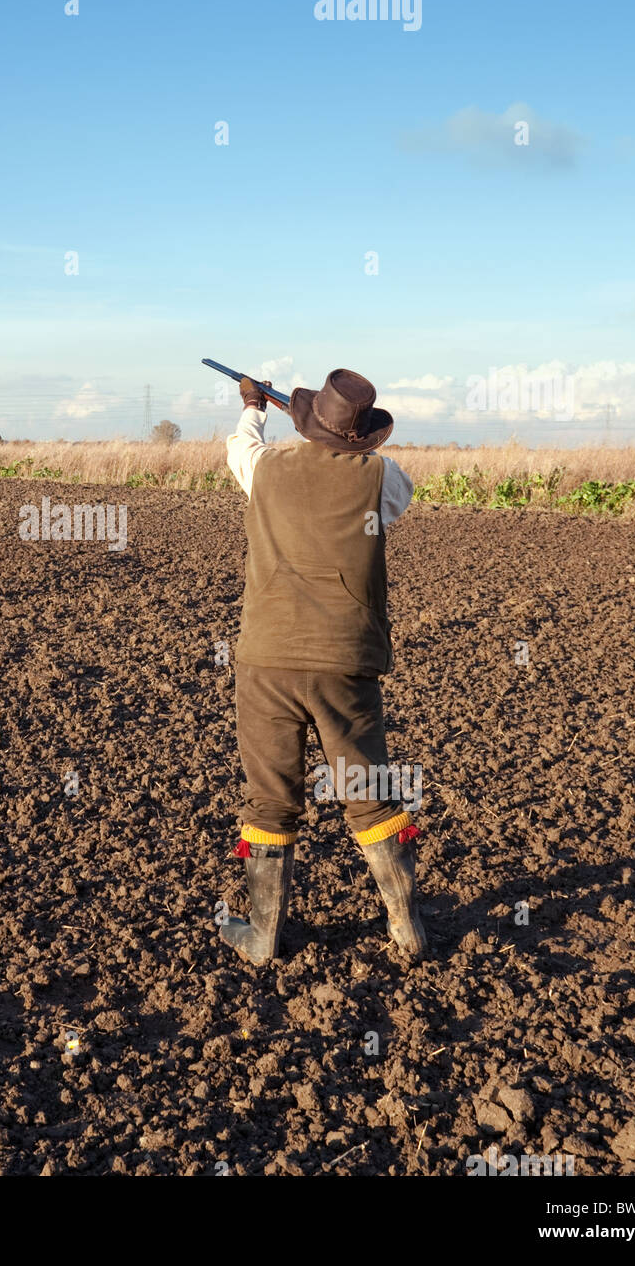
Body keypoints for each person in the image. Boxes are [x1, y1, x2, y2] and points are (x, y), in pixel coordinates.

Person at [220, 368, 427, 966]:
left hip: (267, 658)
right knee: (370, 791)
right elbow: (398, 495)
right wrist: (330, 442)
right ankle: (407, 931)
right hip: (345, 660)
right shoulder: (382, 478)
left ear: (305, 423)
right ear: (364, 437)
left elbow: (242, 449)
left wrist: (257, 408)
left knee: (271, 800)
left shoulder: (266, 468)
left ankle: (261, 938)